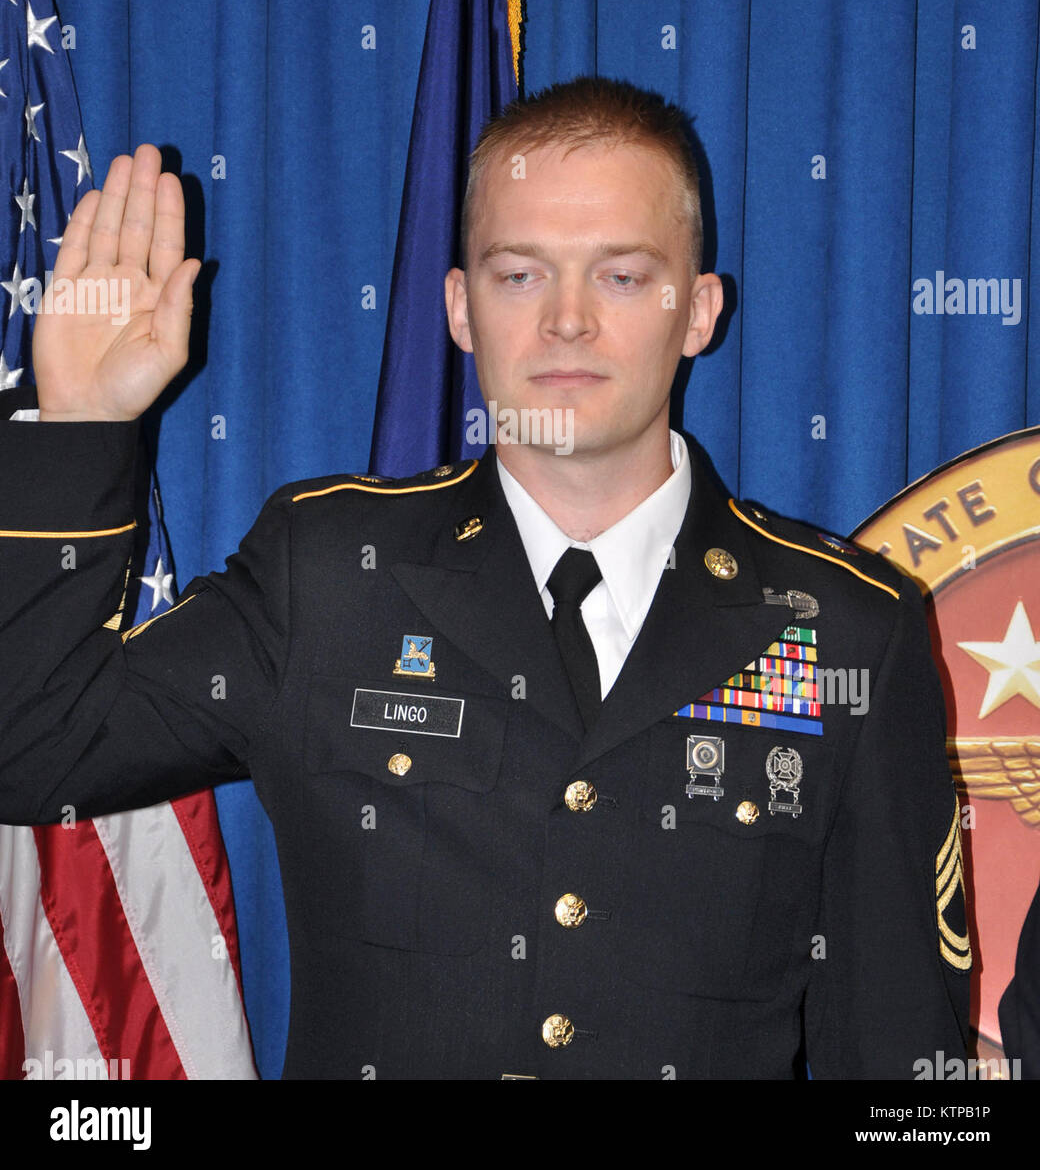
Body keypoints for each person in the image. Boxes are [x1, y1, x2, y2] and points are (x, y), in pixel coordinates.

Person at [0, 76, 970, 1079]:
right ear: (459, 308)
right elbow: (27, 745)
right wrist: (80, 423)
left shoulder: (843, 627)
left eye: (622, 276)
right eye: (518, 274)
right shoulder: (328, 577)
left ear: (698, 311)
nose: (566, 321)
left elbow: (898, 1064)